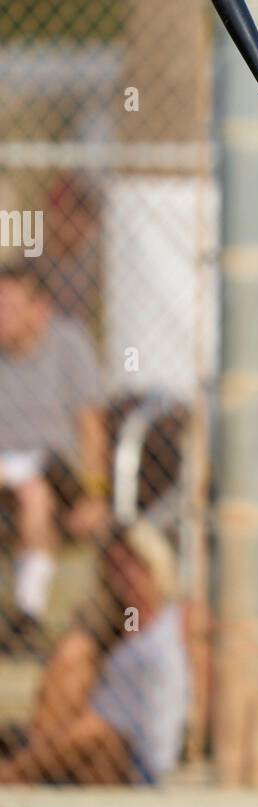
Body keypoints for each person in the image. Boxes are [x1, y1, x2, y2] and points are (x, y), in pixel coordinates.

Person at [0, 521, 189, 784]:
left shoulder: (178, 620)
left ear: (155, 566)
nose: (126, 577)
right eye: (116, 568)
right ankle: (30, 766)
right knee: (74, 656)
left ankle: (14, 775)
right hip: (93, 742)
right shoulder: (126, 624)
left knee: (96, 730)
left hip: (139, 753)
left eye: (135, 566)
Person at [0, 259, 110, 627]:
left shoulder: (68, 343)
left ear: (41, 310)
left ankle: (28, 611)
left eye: (11, 307)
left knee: (33, 491)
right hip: (5, 468)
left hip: (56, 469)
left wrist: (95, 493)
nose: (2, 316)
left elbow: (91, 427)